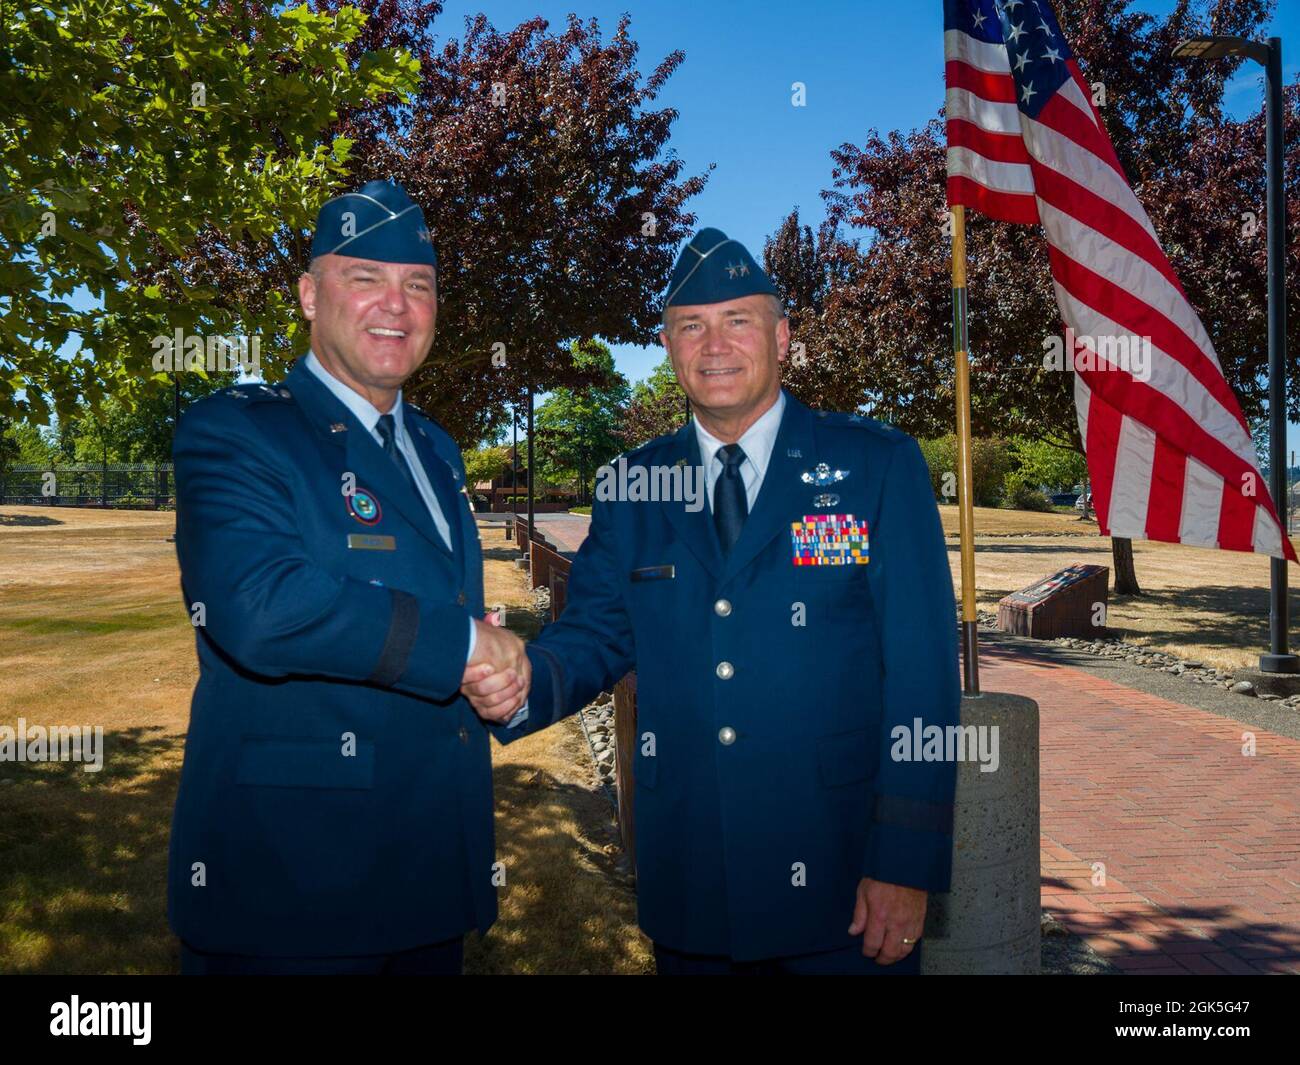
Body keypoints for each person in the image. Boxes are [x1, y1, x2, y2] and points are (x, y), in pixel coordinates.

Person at [464, 228, 960, 975]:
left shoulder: (874, 464)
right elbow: (596, 633)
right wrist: (517, 681)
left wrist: (906, 861)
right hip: (694, 881)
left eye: (739, 319)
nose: (715, 343)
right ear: (668, 346)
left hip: (843, 879)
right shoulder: (633, 482)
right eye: (691, 324)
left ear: (783, 335)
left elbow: (923, 676)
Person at [168, 179, 528, 975]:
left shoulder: (436, 448)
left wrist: (488, 662)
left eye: (418, 285)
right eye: (364, 277)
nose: (394, 304)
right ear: (307, 293)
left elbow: (432, 606)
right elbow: (261, 607)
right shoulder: (235, 429)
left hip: (431, 871)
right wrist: (461, 643)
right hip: (294, 889)